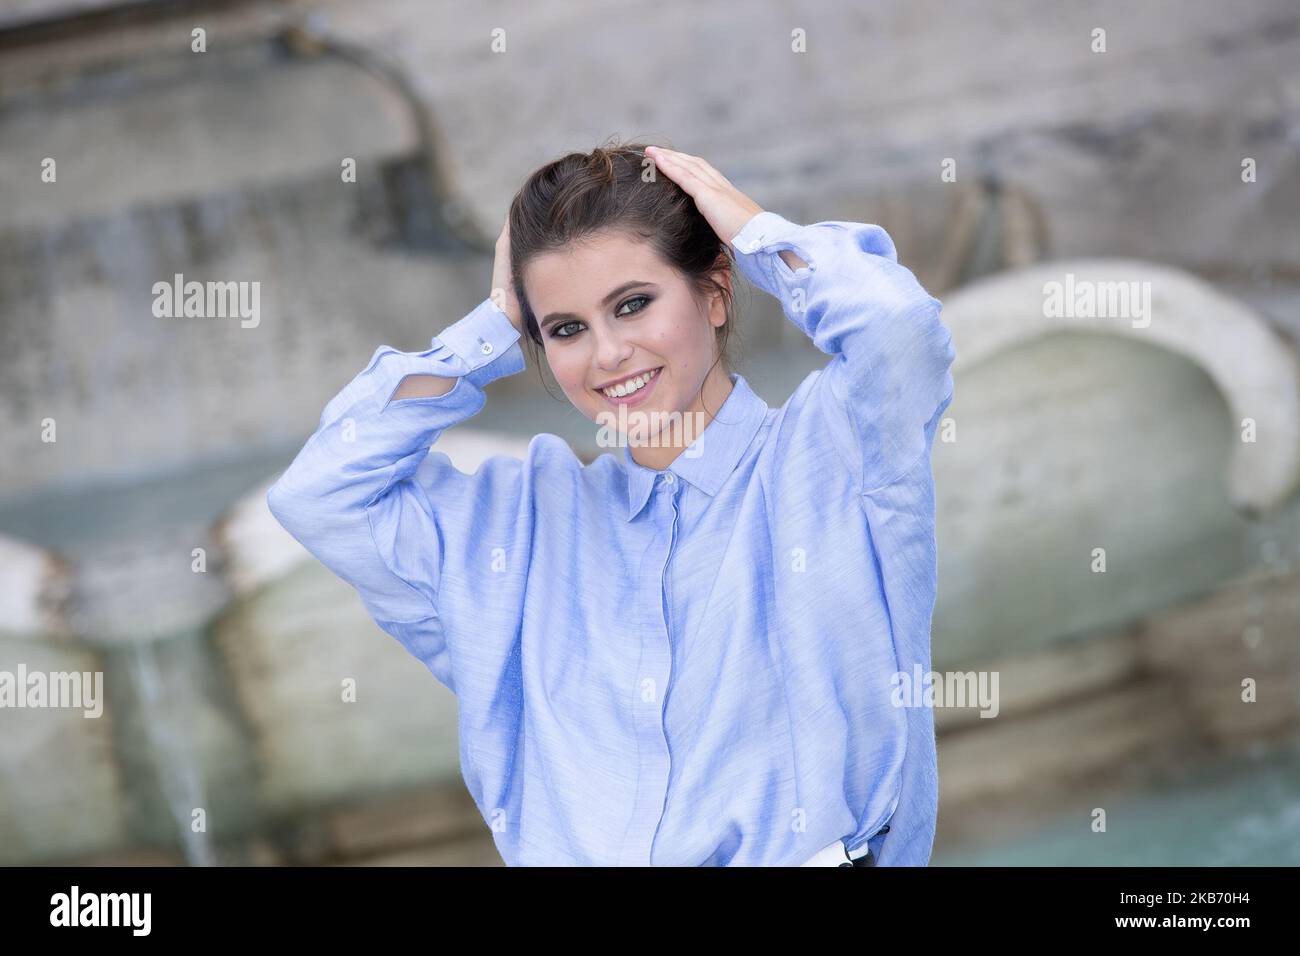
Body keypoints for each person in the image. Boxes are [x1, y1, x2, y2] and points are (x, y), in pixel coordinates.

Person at [266, 142, 956, 866]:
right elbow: (318, 494)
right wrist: (497, 326)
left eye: (633, 305)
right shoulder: (519, 527)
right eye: (565, 328)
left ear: (715, 292)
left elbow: (899, 330)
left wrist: (754, 232)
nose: (607, 354)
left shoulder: (836, 452)